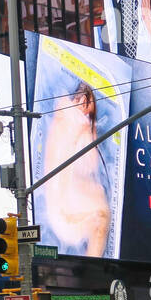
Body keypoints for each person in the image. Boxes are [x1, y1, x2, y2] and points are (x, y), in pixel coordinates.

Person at [41, 82, 112, 257]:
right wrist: (89, 130)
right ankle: (92, 267)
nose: (89, 115)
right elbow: (90, 165)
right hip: (65, 210)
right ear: (82, 101)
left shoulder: (63, 115)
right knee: (101, 217)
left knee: (100, 210)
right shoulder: (78, 123)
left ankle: (90, 265)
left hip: (58, 207)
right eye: (89, 110)